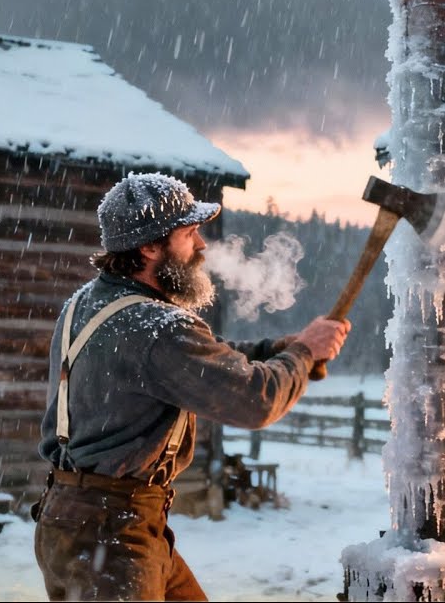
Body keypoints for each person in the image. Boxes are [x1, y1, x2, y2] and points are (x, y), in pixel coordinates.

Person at [32, 171, 350, 601]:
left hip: (82, 521)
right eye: (189, 233)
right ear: (149, 247)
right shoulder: (156, 326)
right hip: (111, 534)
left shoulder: (90, 302)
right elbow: (255, 401)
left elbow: (202, 358)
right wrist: (305, 353)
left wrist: (281, 348)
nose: (201, 245)